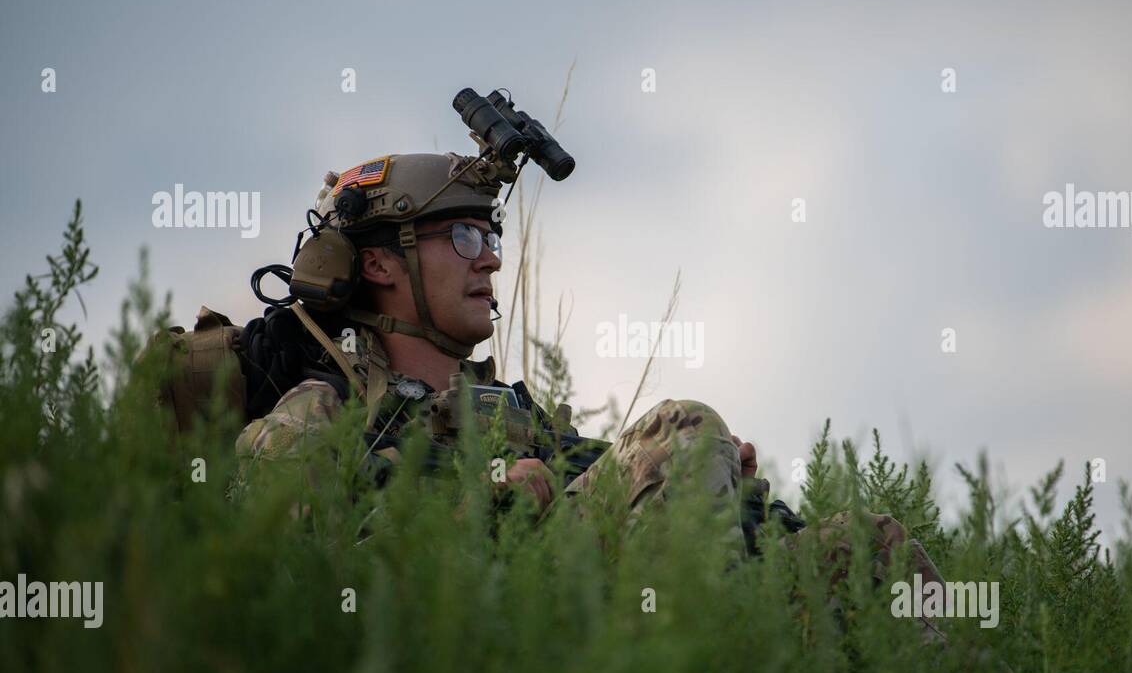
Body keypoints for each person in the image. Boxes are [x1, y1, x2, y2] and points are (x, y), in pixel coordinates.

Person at [236, 152, 945, 629]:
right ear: (380, 263)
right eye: (458, 237)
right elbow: (311, 595)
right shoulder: (319, 411)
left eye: (491, 237)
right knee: (683, 425)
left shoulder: (513, 416)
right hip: (493, 635)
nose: (487, 259)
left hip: (587, 599)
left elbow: (620, 483)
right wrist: (486, 510)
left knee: (872, 547)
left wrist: (716, 475)